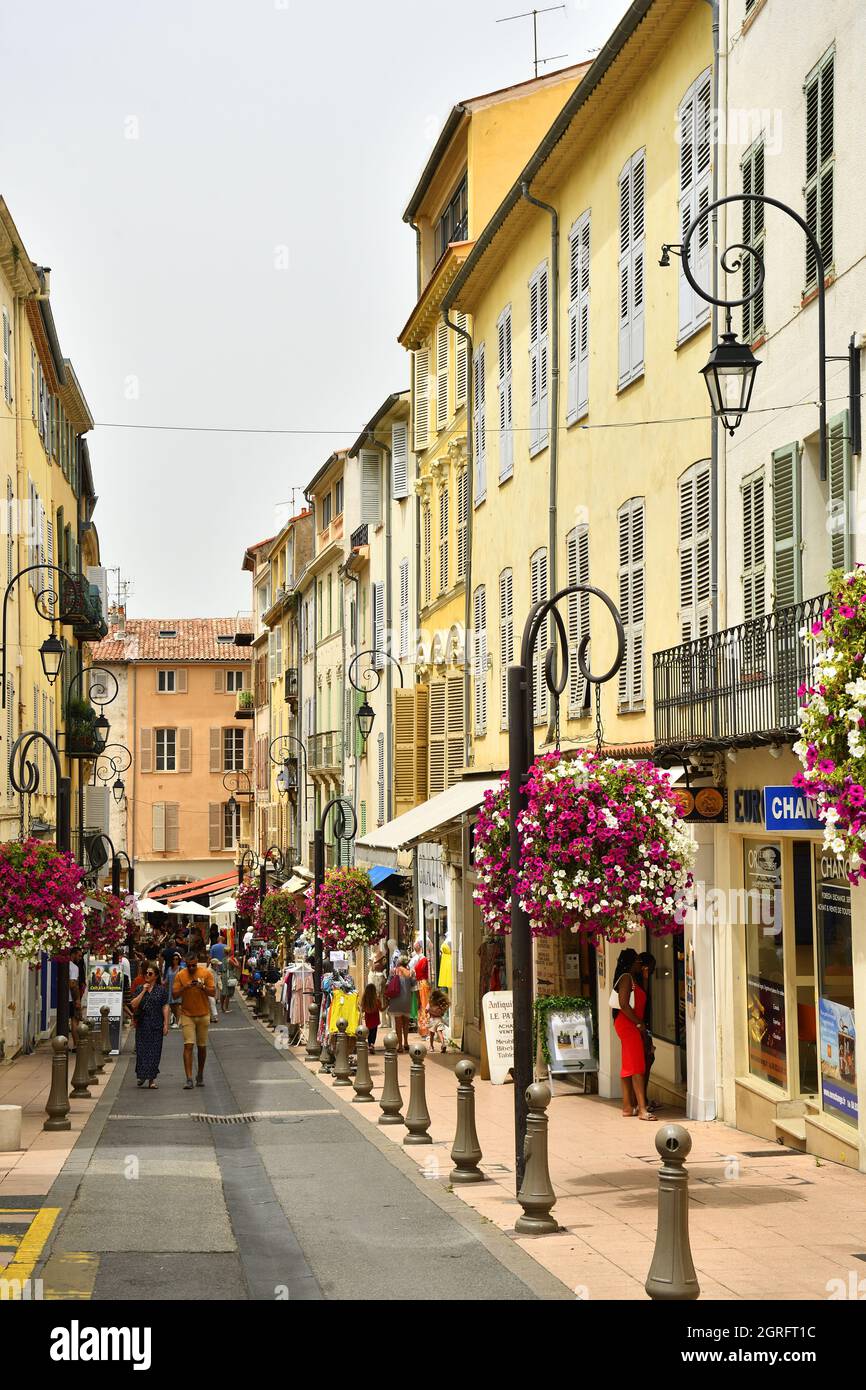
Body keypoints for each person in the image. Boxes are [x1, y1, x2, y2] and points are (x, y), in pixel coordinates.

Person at [612, 952, 653, 1120]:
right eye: (637, 960)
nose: (640, 963)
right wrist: (638, 1023)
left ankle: (628, 1107)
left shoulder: (633, 978)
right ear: (630, 963)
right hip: (628, 1024)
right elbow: (623, 1004)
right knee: (637, 1065)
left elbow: (643, 999)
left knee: (629, 1064)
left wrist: (644, 977)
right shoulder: (626, 978)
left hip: (630, 1023)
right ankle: (642, 1109)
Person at [172, 951, 216, 1089]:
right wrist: (185, 987)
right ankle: (189, 1078)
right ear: (185, 963)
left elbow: (213, 992)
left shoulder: (206, 973)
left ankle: (200, 1074)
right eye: (189, 966)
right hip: (187, 1015)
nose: (191, 968)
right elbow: (174, 995)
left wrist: (202, 987)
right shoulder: (180, 975)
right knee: (188, 1045)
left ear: (197, 963)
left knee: (202, 1047)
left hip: (203, 1014)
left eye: (194, 965)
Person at [129, 961, 169, 1088]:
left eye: (150, 973)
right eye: (146, 973)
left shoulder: (161, 990)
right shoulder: (140, 988)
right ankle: (142, 1075)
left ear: (156, 976)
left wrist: (166, 1023)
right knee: (142, 1051)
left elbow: (165, 1006)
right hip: (143, 1024)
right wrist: (143, 992)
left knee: (155, 1051)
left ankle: (151, 1079)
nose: (147, 975)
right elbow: (134, 1004)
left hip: (156, 1023)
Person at [635, 952, 658, 1112]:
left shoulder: (638, 982)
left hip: (643, 1026)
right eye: (651, 970)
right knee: (646, 1060)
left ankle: (642, 1099)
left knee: (647, 1060)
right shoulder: (639, 984)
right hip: (642, 1026)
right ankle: (641, 1101)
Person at [386, 954, 414, 1052]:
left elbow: (388, 983)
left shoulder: (394, 971)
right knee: (406, 1023)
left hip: (396, 999)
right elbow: (414, 985)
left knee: (398, 1024)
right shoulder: (409, 972)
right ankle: (406, 1042)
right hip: (406, 999)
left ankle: (400, 1046)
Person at [68, 948, 84, 1051]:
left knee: (72, 1021)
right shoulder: (74, 967)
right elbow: (73, 984)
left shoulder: (66, 966)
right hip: (71, 998)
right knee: (75, 1020)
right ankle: (76, 1044)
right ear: (73, 954)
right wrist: (77, 1000)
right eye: (79, 955)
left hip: (66, 998)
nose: (80, 958)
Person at [427, 988, 450, 1053]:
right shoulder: (440, 1004)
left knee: (431, 1034)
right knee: (440, 1032)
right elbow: (442, 1013)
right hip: (439, 1020)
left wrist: (428, 1012)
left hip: (432, 1020)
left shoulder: (430, 1003)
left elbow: (426, 1010)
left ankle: (431, 1046)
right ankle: (443, 1044)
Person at [360, 982, 381, 1052]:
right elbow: (381, 1009)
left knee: (369, 1032)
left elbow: (362, 1010)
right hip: (375, 1019)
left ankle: (369, 1044)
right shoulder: (377, 1000)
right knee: (374, 1032)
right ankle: (372, 1044)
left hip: (368, 1019)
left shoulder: (365, 1000)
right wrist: (387, 1004)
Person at [165, 952, 183, 1028]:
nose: (175, 960)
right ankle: (178, 1019)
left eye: (176, 959)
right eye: (174, 959)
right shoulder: (169, 968)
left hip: (177, 989)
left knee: (177, 1005)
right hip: (170, 989)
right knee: (172, 1006)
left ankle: (177, 1022)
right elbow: (166, 980)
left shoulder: (180, 968)